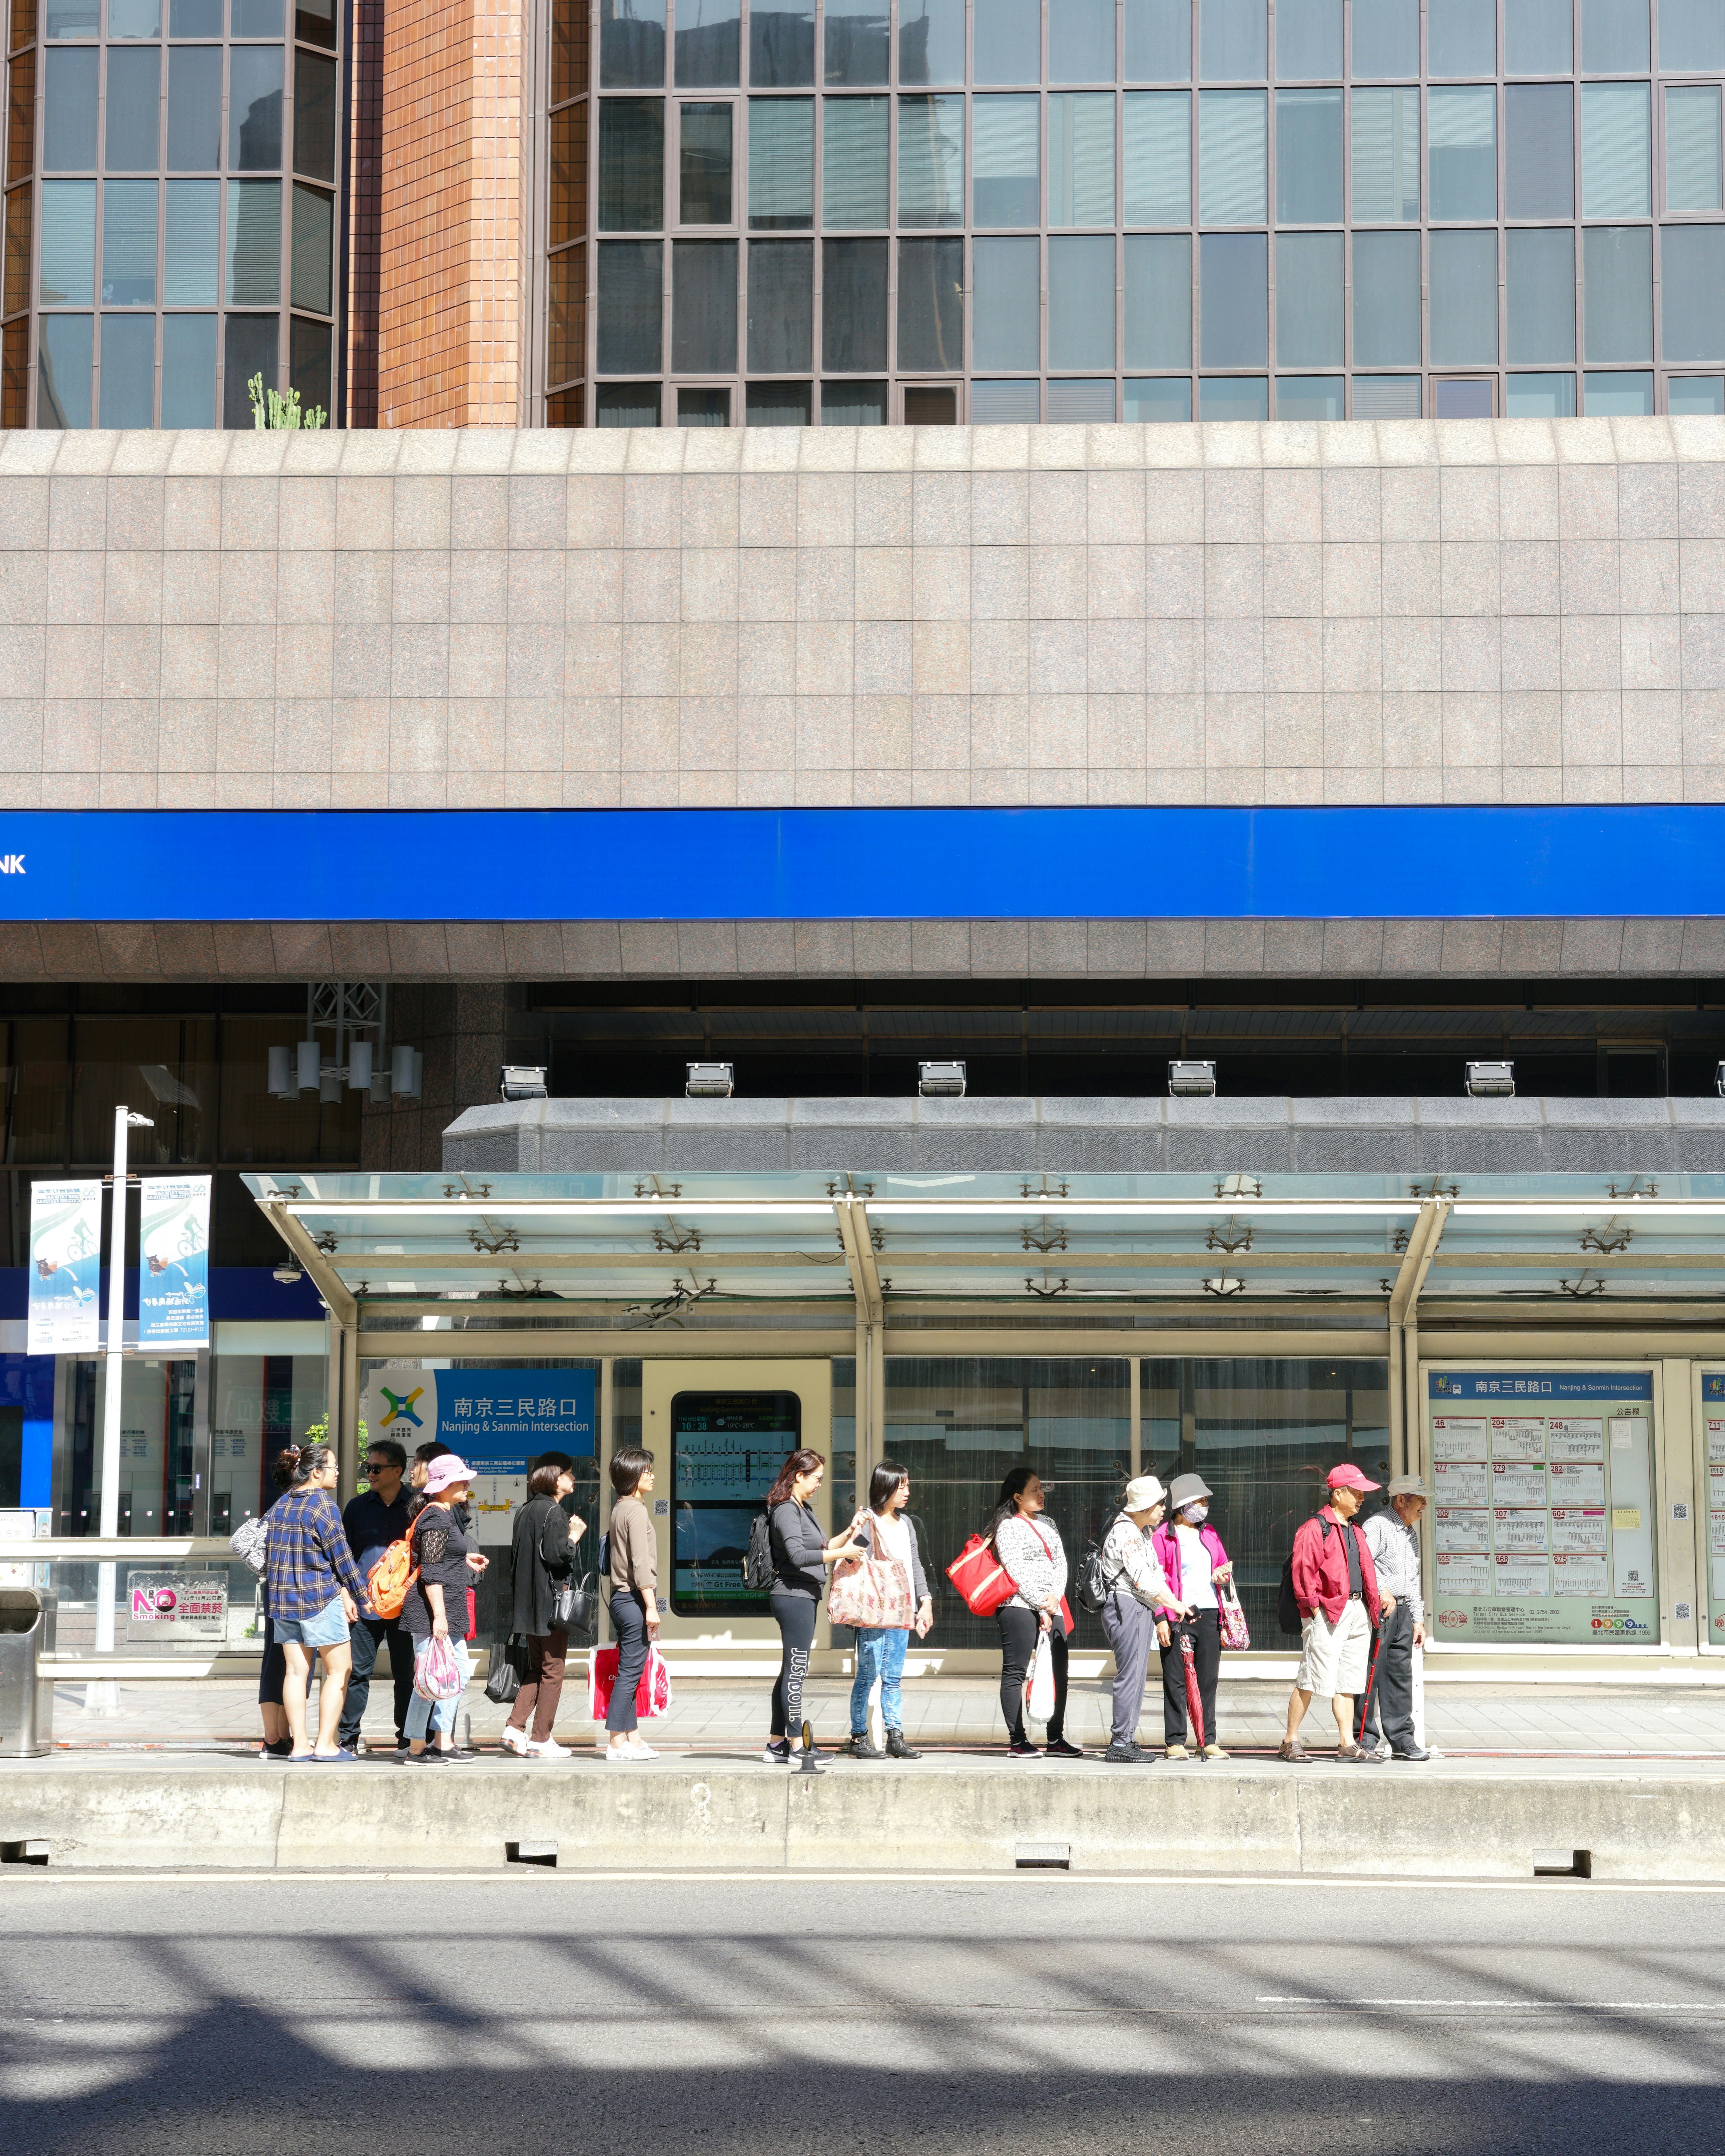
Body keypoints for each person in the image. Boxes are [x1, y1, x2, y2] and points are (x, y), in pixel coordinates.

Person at [262, 1442, 370, 1762]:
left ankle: (299, 1746)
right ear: (317, 1472)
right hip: (320, 1599)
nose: (338, 1472)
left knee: (295, 1673)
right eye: (334, 1467)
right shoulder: (323, 1504)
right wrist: (362, 1597)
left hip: (283, 1603)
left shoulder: (281, 1504)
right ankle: (325, 1744)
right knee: (340, 1670)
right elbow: (342, 1557)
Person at [762, 1447, 866, 1765]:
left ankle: (776, 1744)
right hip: (793, 1597)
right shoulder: (785, 1510)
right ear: (799, 1476)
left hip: (802, 1595)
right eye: (817, 1478)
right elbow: (797, 1556)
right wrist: (841, 1555)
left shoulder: (800, 1508)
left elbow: (821, 1547)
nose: (821, 1483)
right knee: (796, 1671)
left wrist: (850, 1535)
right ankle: (797, 1747)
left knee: (788, 1673)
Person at [1280, 1463, 1389, 1763]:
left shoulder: (1355, 1529)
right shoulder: (1316, 1527)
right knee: (1312, 1677)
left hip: (1357, 1611)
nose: (1361, 1498)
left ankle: (1346, 1742)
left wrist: (1373, 1604)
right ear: (1337, 1493)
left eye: (1362, 1493)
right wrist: (1315, 1611)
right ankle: (1290, 1739)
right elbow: (1304, 1574)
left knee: (1349, 1681)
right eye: (1356, 1492)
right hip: (1328, 1612)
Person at [840, 1460, 934, 1762]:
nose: (907, 1491)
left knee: (893, 1677)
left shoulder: (907, 1524)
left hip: (902, 1610)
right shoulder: (869, 1522)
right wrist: (854, 1532)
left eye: (907, 1485)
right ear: (886, 1487)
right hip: (874, 1610)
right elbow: (855, 1558)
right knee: (868, 1675)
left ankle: (896, 1736)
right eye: (901, 1485)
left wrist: (926, 1600)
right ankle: (859, 1736)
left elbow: (914, 1564)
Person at [399, 1453, 489, 1764]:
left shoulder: (442, 1514)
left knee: (453, 1673)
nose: (467, 1484)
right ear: (443, 1485)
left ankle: (442, 1741)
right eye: (461, 1479)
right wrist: (439, 1617)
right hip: (432, 1610)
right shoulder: (436, 1516)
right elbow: (431, 1572)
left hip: (444, 1606)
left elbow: (437, 1558)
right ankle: (416, 1748)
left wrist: (465, 1559)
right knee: (431, 1678)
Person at [1095, 1474, 1192, 1763]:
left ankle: (1126, 1738)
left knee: (1136, 1676)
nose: (1164, 1508)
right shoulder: (1127, 1534)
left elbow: (1153, 1576)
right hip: (1127, 1606)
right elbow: (1145, 1583)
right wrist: (1176, 1604)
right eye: (1159, 1504)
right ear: (1145, 1506)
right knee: (1130, 1675)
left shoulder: (1140, 1532)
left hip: (1135, 1607)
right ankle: (1120, 1742)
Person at [989, 1467, 1081, 1760]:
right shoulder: (1007, 1526)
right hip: (1018, 1605)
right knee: (1016, 1672)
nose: (1041, 1494)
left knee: (1060, 1673)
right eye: (1034, 1491)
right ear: (1017, 1497)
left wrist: (1055, 1597)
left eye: (1042, 1488)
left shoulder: (1049, 1523)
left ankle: (1056, 1739)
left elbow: (1061, 1563)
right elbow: (1014, 1571)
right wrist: (1042, 1603)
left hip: (1053, 1604)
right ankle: (1018, 1741)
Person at [502, 1454, 587, 1760]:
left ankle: (514, 1729)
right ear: (555, 1478)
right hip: (551, 1606)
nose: (573, 1479)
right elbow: (557, 1556)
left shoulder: (525, 1511)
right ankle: (541, 1738)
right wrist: (574, 1537)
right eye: (568, 1474)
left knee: (540, 1667)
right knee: (554, 1670)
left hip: (528, 1605)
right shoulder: (554, 1512)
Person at [1152, 1472, 1238, 1762]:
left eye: (1205, 1501)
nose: (1204, 1505)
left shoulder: (1209, 1532)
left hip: (1210, 1612)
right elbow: (1156, 1581)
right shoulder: (1163, 1535)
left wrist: (1222, 1573)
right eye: (1199, 1500)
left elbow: (1223, 1565)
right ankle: (1175, 1741)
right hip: (1178, 1613)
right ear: (1184, 1504)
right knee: (1176, 1678)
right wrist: (1162, 1616)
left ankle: (1207, 1739)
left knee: (1208, 1680)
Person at [337, 1436, 413, 1755]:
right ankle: (348, 1737)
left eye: (377, 1468)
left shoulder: (416, 1506)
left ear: (398, 1471)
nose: (371, 1473)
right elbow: (342, 1555)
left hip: (405, 1606)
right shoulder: (356, 1507)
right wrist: (345, 1593)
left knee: (406, 1675)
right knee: (356, 1673)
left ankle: (408, 1738)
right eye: (368, 1468)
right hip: (364, 1605)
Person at [1359, 1473, 1430, 1761]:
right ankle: (1363, 1738)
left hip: (1402, 1612)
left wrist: (1418, 1618)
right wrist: (1382, 1590)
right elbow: (1364, 1564)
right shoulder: (1378, 1525)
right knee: (1370, 1674)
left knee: (1401, 1675)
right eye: (1420, 1498)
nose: (1425, 1504)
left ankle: (1402, 1740)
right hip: (1380, 1608)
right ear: (1401, 1500)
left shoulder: (1410, 1532)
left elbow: (1412, 1579)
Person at [604, 1446, 660, 1762]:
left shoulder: (621, 1507)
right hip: (634, 1599)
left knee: (630, 1670)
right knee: (630, 1673)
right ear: (633, 1476)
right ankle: (616, 1742)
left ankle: (633, 1739)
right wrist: (651, 1606)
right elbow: (641, 1564)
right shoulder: (637, 1511)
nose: (651, 1475)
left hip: (621, 1599)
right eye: (646, 1471)